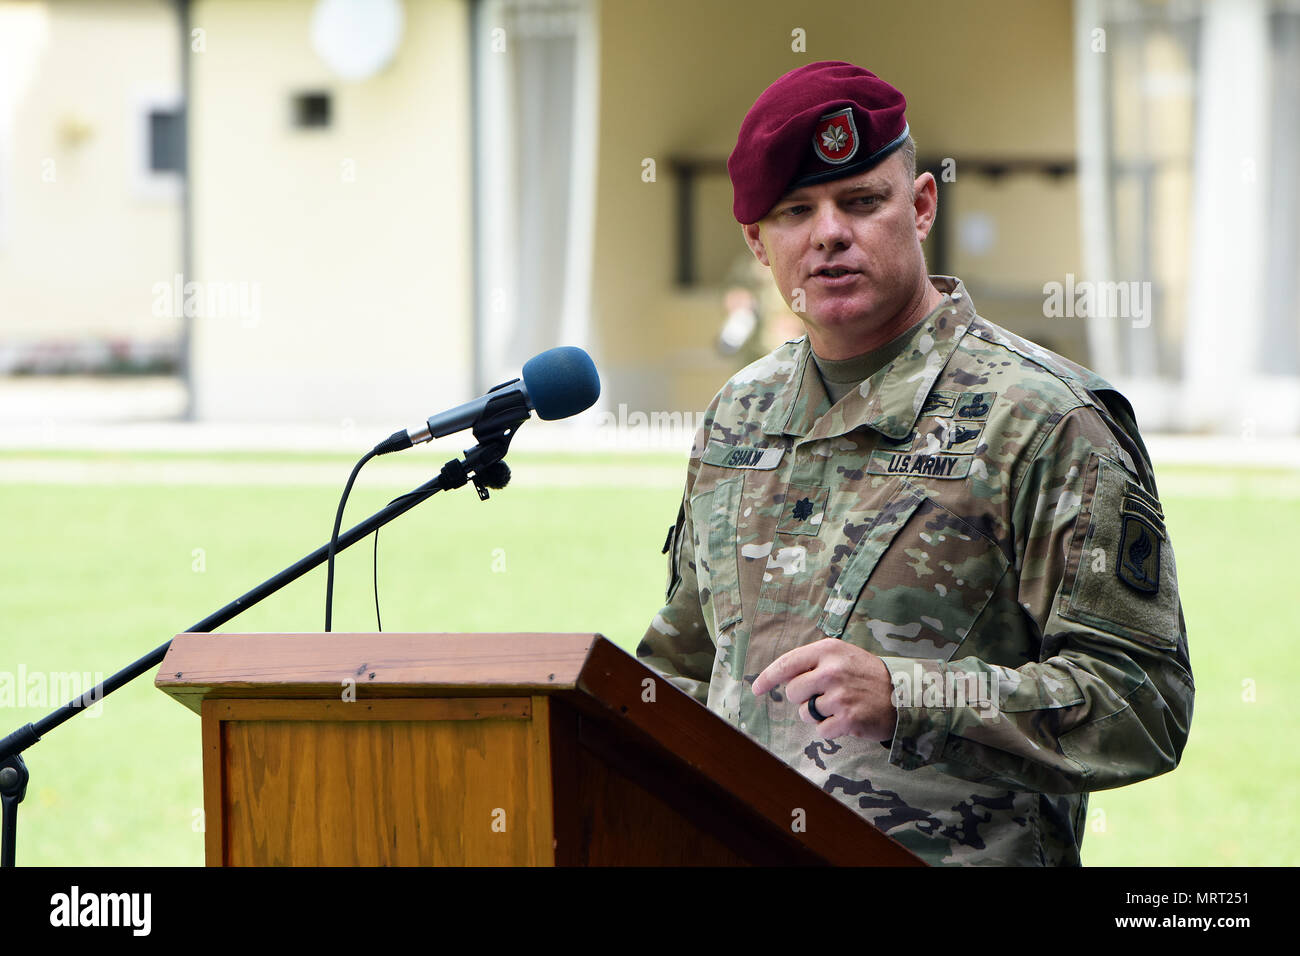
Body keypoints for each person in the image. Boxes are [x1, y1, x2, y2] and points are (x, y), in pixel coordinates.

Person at [636, 60, 1194, 866]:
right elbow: (685, 668)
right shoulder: (739, 413)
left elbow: (1144, 705)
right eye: (797, 211)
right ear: (759, 244)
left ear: (922, 205)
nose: (830, 232)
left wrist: (910, 696)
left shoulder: (1042, 419)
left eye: (862, 201)